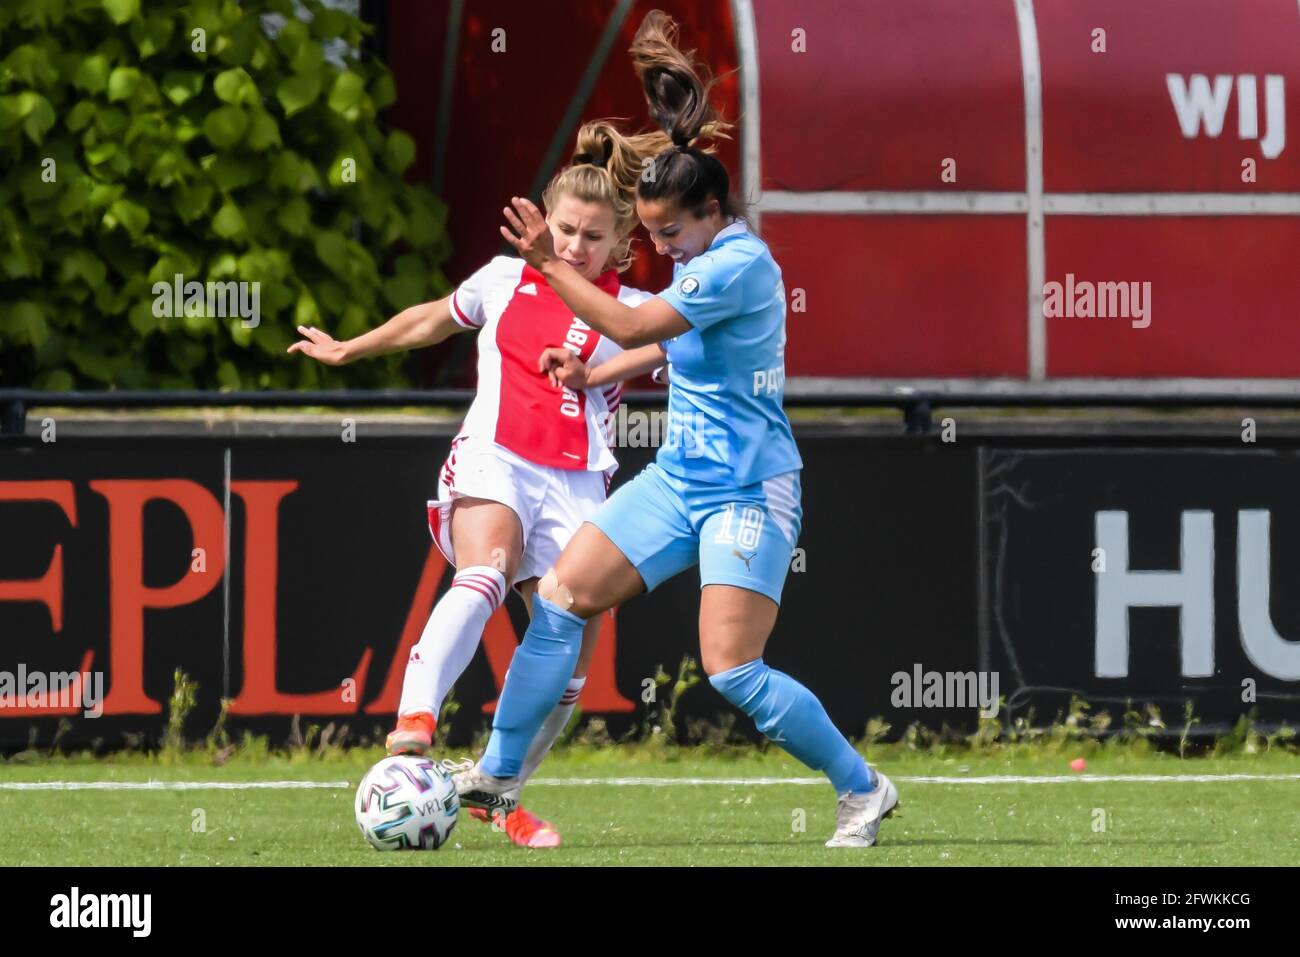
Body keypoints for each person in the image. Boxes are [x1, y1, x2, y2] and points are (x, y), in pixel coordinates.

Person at [451, 10, 898, 848]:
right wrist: (594, 376)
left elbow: (631, 327)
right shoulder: (701, 258)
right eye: (650, 234)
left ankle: (861, 786)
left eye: (667, 233)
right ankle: (498, 773)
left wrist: (549, 263)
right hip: (680, 477)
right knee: (561, 596)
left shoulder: (737, 264)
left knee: (732, 669)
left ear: (713, 211)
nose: (657, 247)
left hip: (747, 489)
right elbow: (659, 345)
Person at [288, 121, 670, 847]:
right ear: (545, 221)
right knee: (485, 568)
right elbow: (433, 319)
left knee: (571, 651)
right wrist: (352, 346)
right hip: (496, 455)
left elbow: (677, 338)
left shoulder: (627, 310)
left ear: (620, 242)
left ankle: (500, 789)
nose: (575, 247)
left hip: (580, 481)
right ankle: (413, 726)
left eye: (593, 237)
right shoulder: (504, 278)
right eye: (564, 230)